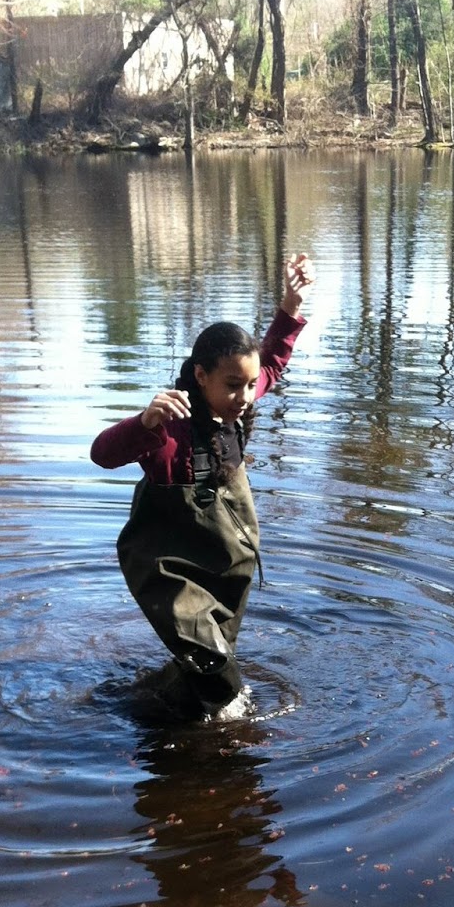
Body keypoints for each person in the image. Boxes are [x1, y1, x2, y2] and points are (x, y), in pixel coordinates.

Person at [91, 253, 315, 714]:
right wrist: (142, 422)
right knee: (214, 666)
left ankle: (160, 706)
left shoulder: (237, 407)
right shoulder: (168, 429)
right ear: (200, 375)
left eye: (251, 385)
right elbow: (102, 454)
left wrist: (291, 307)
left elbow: (271, 360)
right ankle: (236, 721)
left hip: (226, 571)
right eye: (234, 385)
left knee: (204, 665)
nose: (246, 396)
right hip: (168, 572)